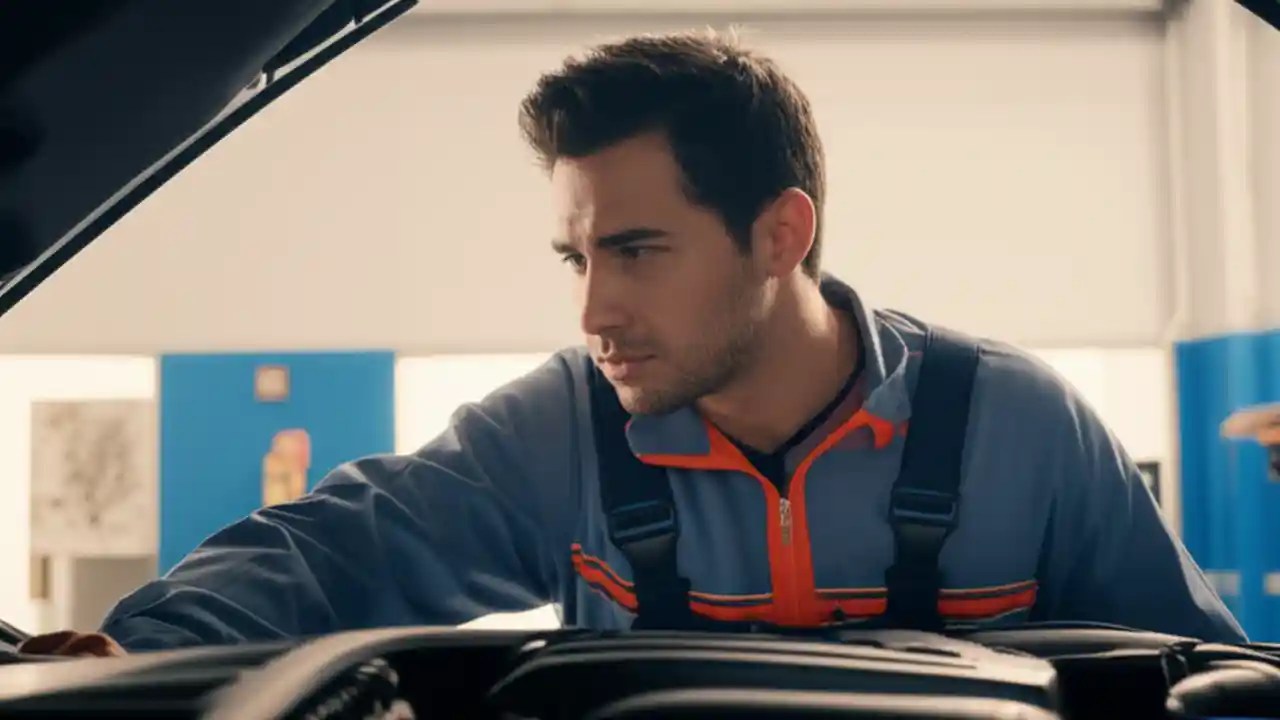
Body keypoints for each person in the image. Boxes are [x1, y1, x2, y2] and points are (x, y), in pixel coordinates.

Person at [22, 30, 1245, 657]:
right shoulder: (559, 432)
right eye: (578, 256)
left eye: (639, 250)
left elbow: (1210, 681)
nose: (592, 310)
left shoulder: (1019, 428)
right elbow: (337, 550)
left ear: (780, 233)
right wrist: (133, 651)